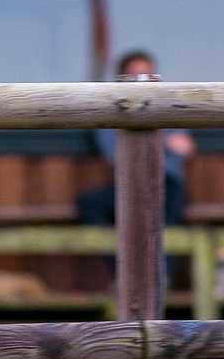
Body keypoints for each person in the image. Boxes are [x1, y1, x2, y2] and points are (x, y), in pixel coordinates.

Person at [75, 49, 194, 228]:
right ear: (122, 78)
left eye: (147, 75)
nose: (142, 80)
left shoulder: (167, 106)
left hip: (166, 183)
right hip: (130, 183)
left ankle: (163, 256)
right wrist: (162, 140)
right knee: (92, 202)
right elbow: (118, 157)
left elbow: (185, 148)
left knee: (165, 214)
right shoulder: (110, 112)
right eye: (136, 75)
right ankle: (115, 256)